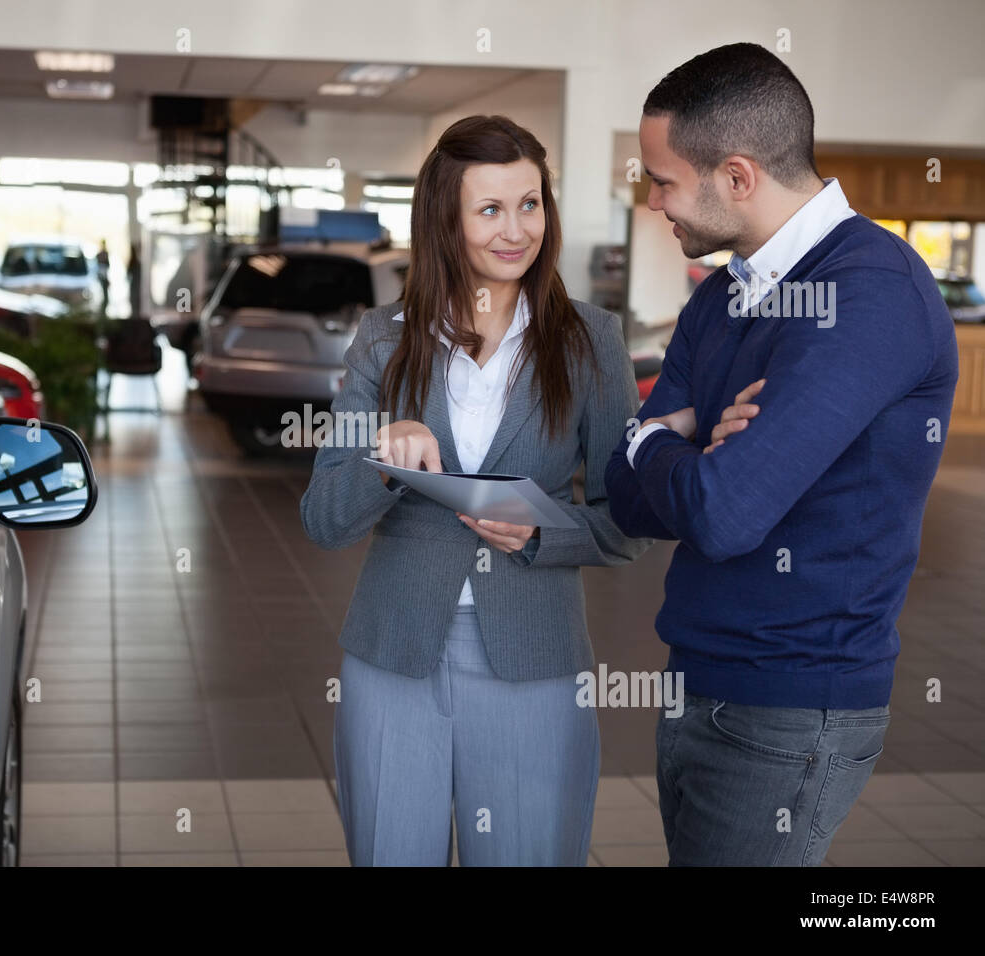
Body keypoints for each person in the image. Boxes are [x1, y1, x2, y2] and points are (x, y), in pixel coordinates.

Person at [604, 43, 958, 866]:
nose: (652, 200)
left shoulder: (870, 291)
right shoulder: (724, 293)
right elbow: (628, 498)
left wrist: (655, 436)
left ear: (736, 176)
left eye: (662, 181)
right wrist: (676, 449)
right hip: (697, 679)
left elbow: (721, 514)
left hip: (792, 708)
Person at [300, 115, 651, 866]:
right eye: (489, 209)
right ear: (444, 221)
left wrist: (540, 532)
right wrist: (383, 465)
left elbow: (629, 521)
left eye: (530, 204)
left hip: (535, 659)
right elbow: (324, 521)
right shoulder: (383, 338)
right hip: (394, 654)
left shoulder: (593, 341)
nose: (515, 230)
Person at [95, 238, 110, 319]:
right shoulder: (101, 254)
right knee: (103, 296)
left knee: (105, 296)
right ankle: (101, 313)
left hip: (103, 276)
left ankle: (102, 313)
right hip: (102, 276)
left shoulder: (104, 254)